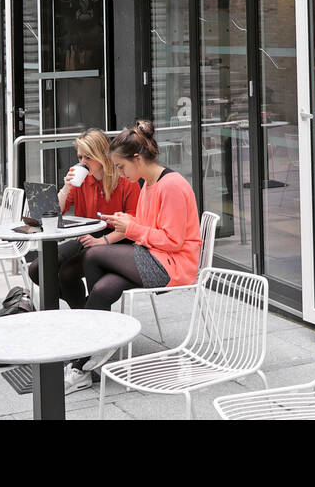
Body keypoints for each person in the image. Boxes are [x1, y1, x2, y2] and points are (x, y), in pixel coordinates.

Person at [64, 121, 201, 393]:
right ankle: (98, 346)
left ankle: (88, 352)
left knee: (93, 256)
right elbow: (149, 228)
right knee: (103, 288)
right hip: (152, 257)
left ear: (137, 159)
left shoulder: (171, 185)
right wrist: (129, 221)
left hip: (172, 266)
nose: (120, 173)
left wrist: (132, 228)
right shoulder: (150, 184)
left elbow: (173, 241)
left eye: (122, 167)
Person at [24, 129, 140, 312]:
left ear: (102, 156)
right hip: (87, 236)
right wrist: (66, 187)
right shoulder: (81, 180)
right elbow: (54, 212)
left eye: (88, 158)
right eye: (80, 158)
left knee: (67, 273)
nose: (82, 163)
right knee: (38, 269)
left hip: (118, 239)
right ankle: (84, 310)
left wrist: (102, 241)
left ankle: (86, 314)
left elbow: (133, 223)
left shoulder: (126, 181)